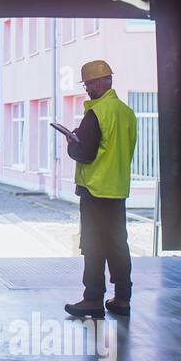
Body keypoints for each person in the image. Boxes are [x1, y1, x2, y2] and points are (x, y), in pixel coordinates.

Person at [62, 60, 138, 319]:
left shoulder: (96, 114)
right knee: (118, 244)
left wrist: (71, 142)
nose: (86, 90)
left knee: (93, 245)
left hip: (95, 190)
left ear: (97, 83)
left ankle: (92, 299)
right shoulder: (127, 113)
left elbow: (85, 154)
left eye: (87, 84)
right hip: (117, 190)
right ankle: (123, 298)